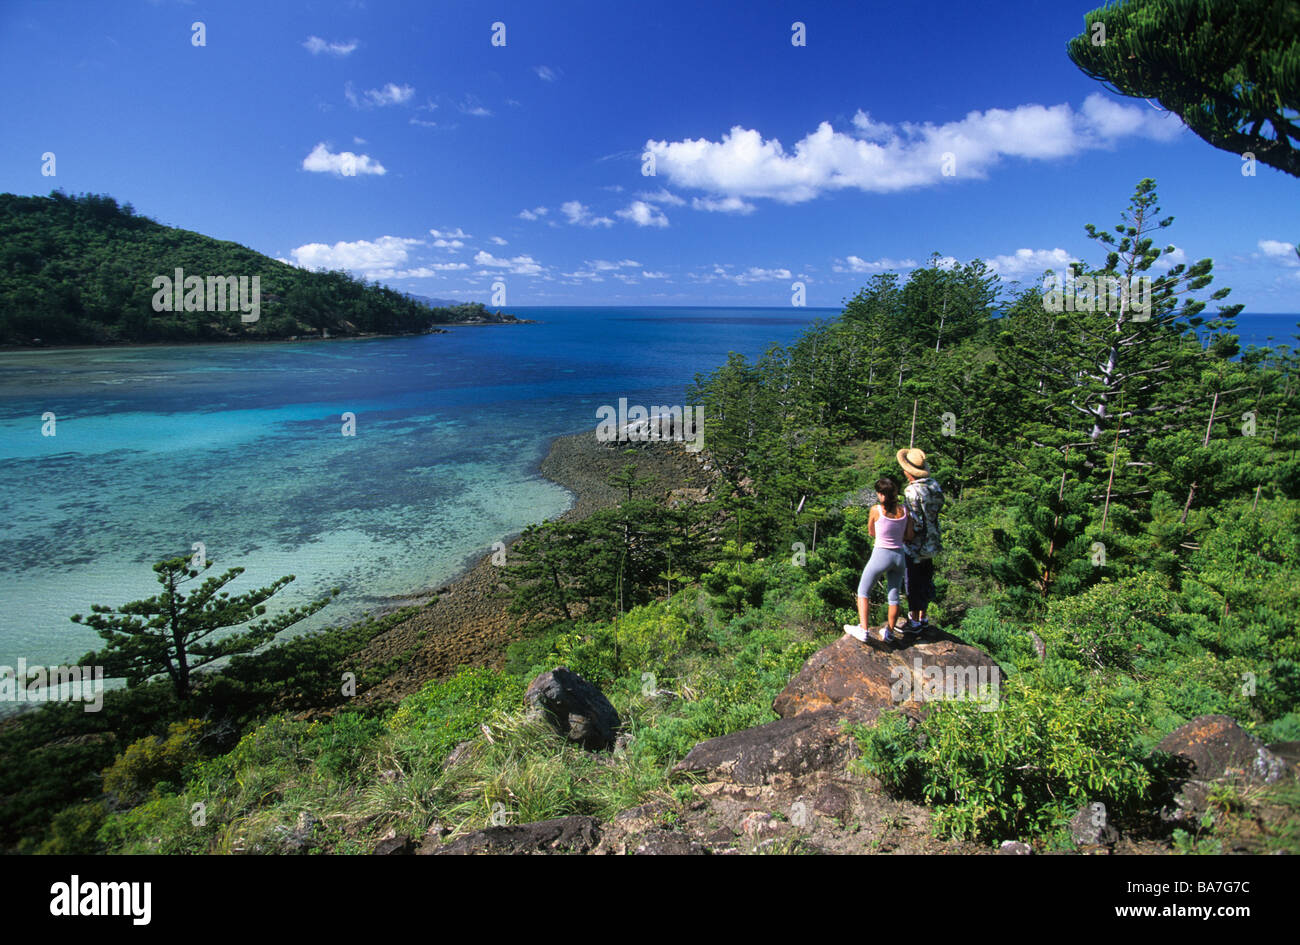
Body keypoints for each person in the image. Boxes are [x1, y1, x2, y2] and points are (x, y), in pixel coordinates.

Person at [844, 476, 914, 644]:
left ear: (882, 495)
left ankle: (864, 629)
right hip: (899, 556)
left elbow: (871, 532)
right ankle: (889, 632)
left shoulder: (877, 510)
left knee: (863, 591)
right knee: (894, 596)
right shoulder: (905, 511)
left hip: (881, 554)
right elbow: (909, 535)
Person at [897, 447, 944, 633]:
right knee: (926, 579)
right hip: (933, 540)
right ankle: (924, 617)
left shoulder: (912, 491)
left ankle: (914, 621)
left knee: (912, 581)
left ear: (908, 472)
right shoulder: (934, 486)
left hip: (916, 544)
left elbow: (915, 521)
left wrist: (905, 535)